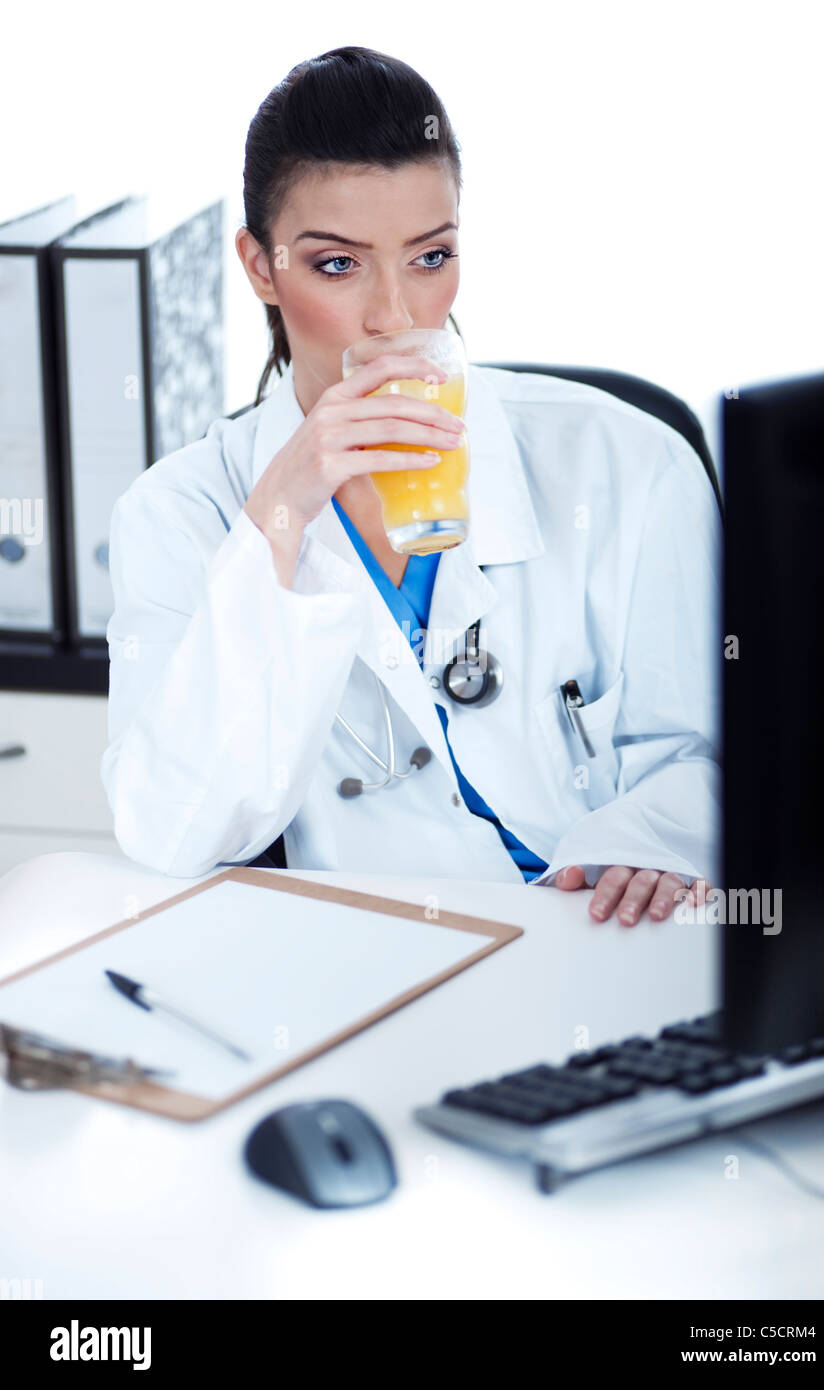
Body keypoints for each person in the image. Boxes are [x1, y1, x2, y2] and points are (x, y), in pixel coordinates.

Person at [101, 45, 721, 927]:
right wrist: (280, 514)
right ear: (259, 267)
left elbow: (712, 750)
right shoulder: (179, 514)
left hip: (602, 941)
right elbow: (173, 830)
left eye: (430, 258)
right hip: (373, 965)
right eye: (338, 264)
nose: (394, 314)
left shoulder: (630, 462)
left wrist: (656, 842)